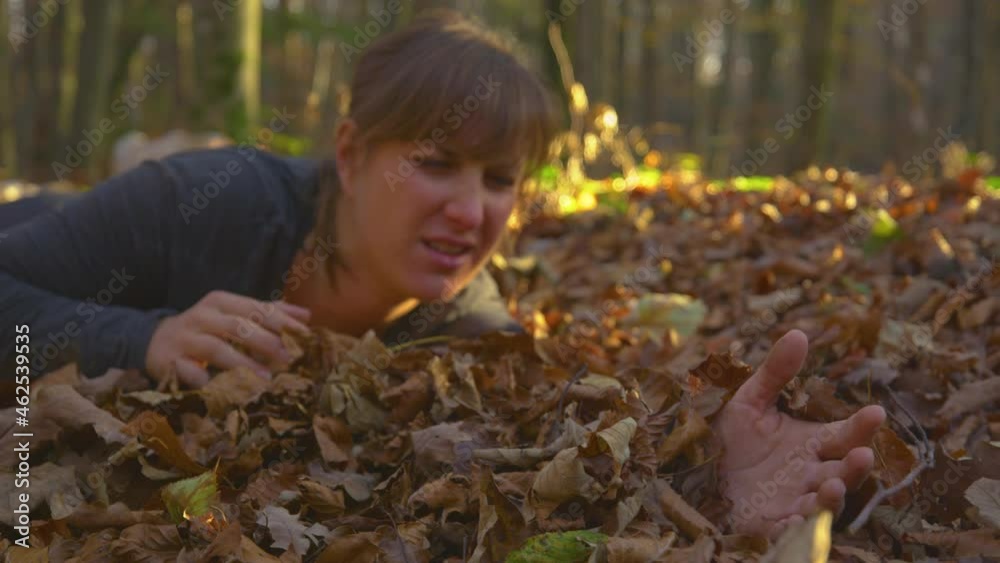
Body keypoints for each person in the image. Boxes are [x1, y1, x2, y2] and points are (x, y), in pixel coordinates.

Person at [0, 11, 884, 541]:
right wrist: (143, 336)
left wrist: (706, 472)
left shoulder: (461, 318)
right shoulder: (197, 202)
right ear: (352, 152)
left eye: (500, 180)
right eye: (435, 162)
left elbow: (553, 446)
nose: (472, 211)